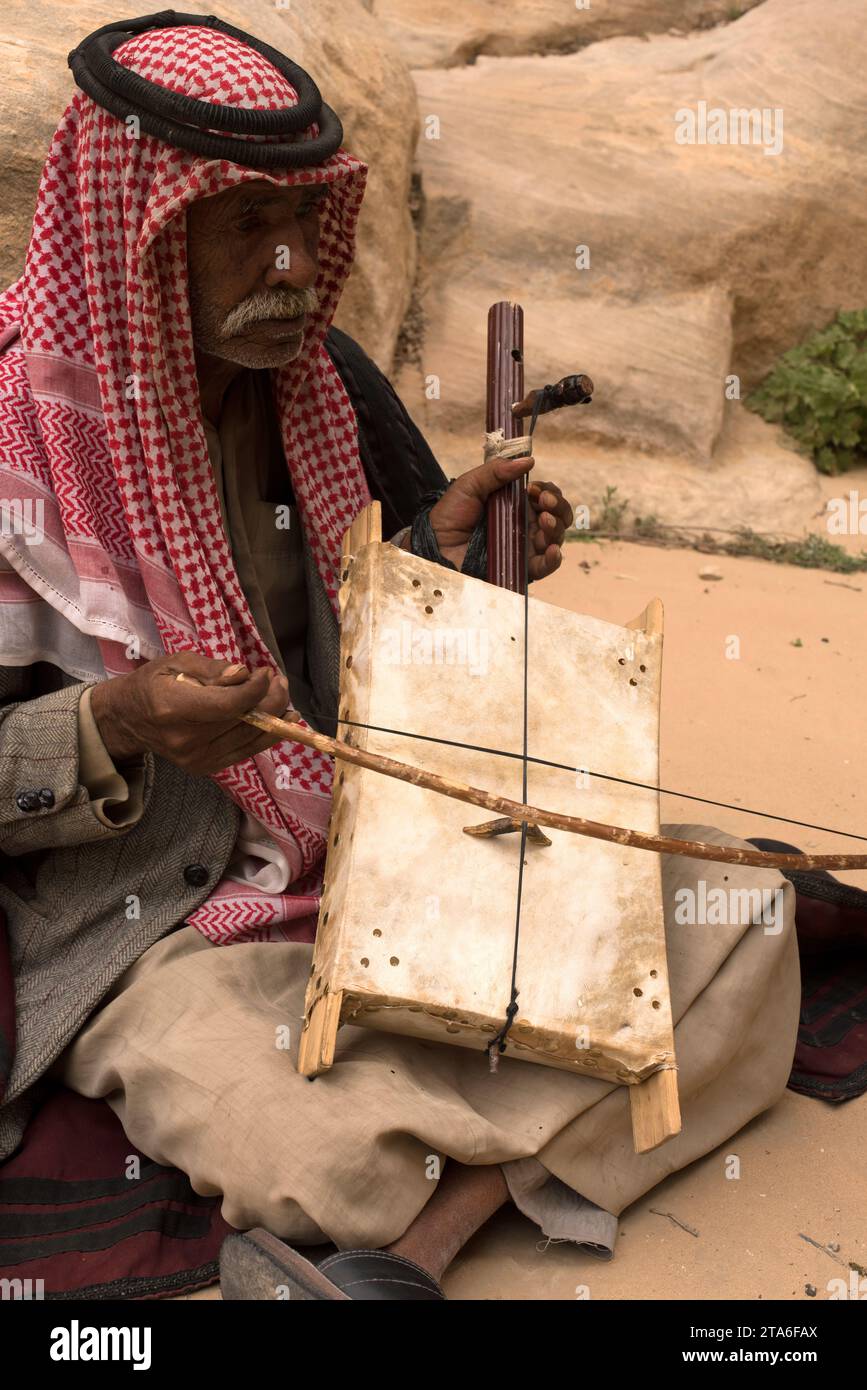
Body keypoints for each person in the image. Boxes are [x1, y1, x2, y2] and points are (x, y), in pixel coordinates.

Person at [0, 15, 800, 1300]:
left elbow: (391, 662)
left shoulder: (324, 387)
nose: (289, 262)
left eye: (304, 218)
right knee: (315, 1160)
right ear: (139, 229)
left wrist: (447, 560)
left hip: (390, 858)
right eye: (243, 222)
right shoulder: (14, 435)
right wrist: (119, 725)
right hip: (169, 924)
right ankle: (470, 1171)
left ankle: (428, 1237)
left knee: (744, 914)